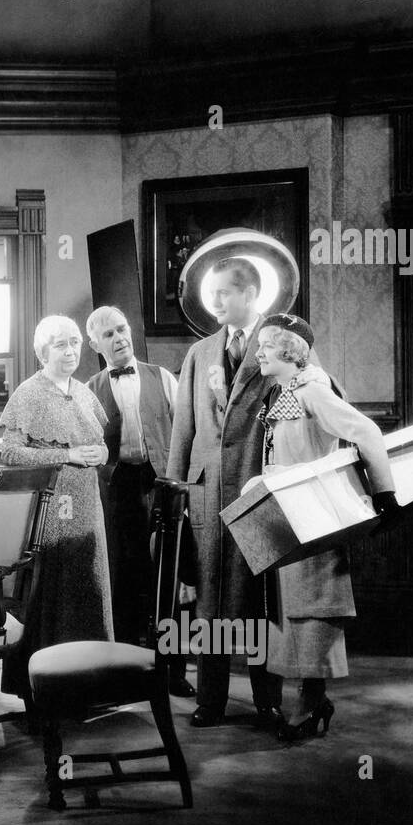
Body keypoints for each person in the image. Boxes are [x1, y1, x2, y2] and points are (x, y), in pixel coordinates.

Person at [252, 314, 397, 739]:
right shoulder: (286, 391)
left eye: (265, 345)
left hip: (315, 516)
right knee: (294, 609)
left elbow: (366, 431)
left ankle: (310, 702)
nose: (258, 352)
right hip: (290, 516)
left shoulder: (314, 390)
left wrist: (384, 491)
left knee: (314, 608)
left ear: (289, 350)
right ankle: (312, 699)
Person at [167, 257, 285, 729]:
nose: (213, 301)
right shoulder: (199, 353)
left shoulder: (282, 345)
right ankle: (211, 700)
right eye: (210, 292)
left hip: (258, 488)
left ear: (251, 295)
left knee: (261, 599)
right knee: (209, 599)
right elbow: (183, 429)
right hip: (206, 494)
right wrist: (177, 489)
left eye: (223, 293)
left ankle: (267, 701)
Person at [0, 314, 114, 697]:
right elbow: (11, 453)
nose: (70, 351)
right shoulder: (28, 393)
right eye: (60, 344)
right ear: (42, 351)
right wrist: (68, 455)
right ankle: (45, 689)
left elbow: (100, 443)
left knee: (89, 585)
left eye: (75, 342)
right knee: (54, 588)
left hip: (87, 506)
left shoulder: (84, 392)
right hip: (54, 508)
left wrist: (98, 452)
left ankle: (90, 686)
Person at [85, 305, 194, 697]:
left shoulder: (163, 377)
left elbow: (187, 433)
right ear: (95, 344)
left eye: (122, 330)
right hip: (115, 490)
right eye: (109, 335)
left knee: (171, 578)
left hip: (162, 484)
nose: (119, 339)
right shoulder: (88, 392)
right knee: (123, 580)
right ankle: (130, 672)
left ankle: (174, 671)